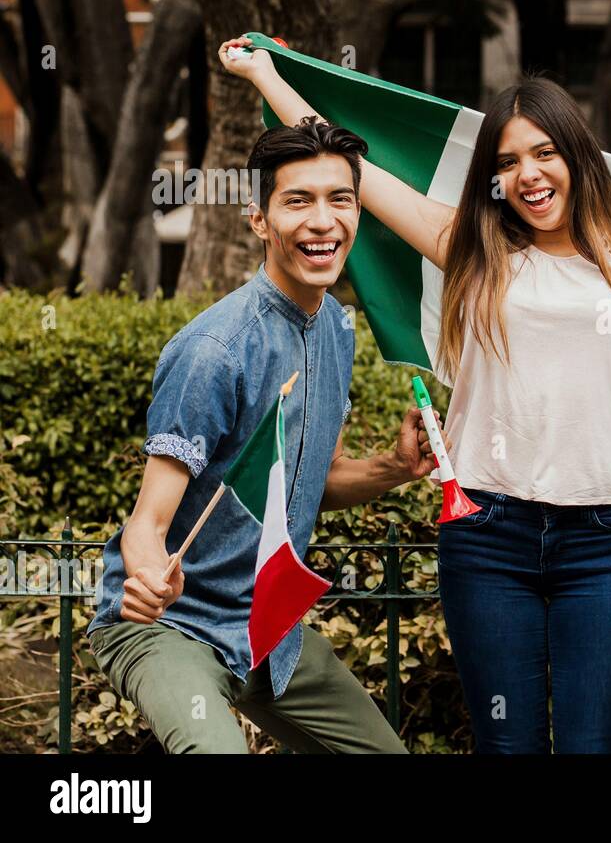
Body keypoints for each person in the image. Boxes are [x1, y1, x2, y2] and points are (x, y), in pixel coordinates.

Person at [218, 34, 611, 752]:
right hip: (489, 535)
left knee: (592, 745)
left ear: (578, 157)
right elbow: (356, 167)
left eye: (545, 153)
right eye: (509, 162)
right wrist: (267, 76)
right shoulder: (474, 251)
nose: (529, 175)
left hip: (608, 540)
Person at [88, 118, 440, 753]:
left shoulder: (335, 327)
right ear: (259, 221)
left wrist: (393, 464)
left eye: (340, 199)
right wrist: (147, 578)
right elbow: (148, 522)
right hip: (175, 624)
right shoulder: (215, 349)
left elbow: (317, 479)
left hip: (268, 628)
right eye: (297, 200)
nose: (323, 220)